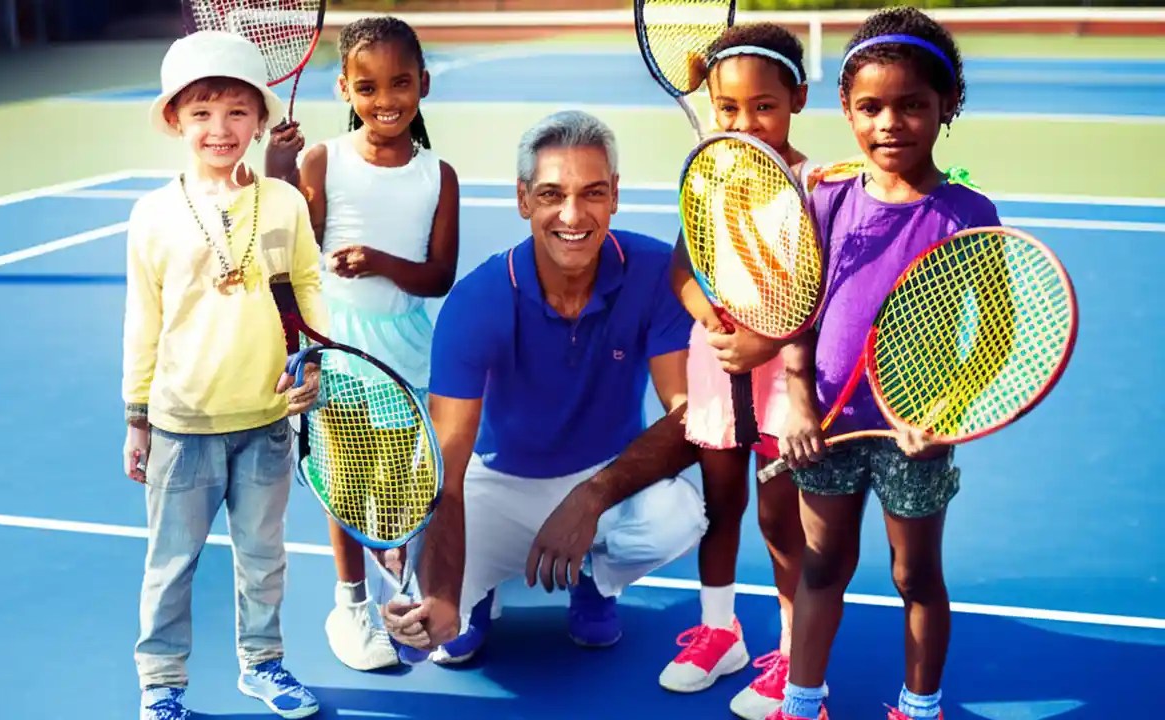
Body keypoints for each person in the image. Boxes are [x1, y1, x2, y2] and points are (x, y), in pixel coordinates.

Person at [382, 110, 763, 664]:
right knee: (430, 627)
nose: (572, 214)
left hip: (606, 476)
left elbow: (689, 414)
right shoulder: (477, 302)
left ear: (615, 196)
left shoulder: (655, 272)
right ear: (523, 200)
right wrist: (439, 598)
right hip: (497, 485)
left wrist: (591, 499)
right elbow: (449, 467)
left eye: (592, 193)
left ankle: (593, 577)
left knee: (679, 515)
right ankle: (473, 595)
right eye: (551, 194)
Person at [770, 8, 999, 720]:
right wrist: (798, 400)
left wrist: (944, 415)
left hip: (915, 433)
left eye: (912, 106)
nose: (889, 124)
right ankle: (802, 704)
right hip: (825, 424)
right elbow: (798, 315)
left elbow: (992, 340)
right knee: (821, 567)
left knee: (915, 575)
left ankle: (919, 707)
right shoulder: (826, 200)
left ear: (947, 105)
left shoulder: (968, 214)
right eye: (870, 108)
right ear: (846, 109)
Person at [122, 30, 327, 720]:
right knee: (171, 563)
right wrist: (137, 416)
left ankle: (263, 665)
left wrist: (313, 358)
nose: (220, 128)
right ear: (175, 119)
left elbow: (306, 285)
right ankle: (161, 685)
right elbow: (143, 319)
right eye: (202, 111)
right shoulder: (152, 215)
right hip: (182, 426)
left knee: (263, 559)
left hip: (267, 420)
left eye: (238, 111)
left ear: (261, 120)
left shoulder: (285, 202)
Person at [265, 15, 460, 673]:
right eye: (368, 87)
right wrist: (279, 170)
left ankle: (401, 589)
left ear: (423, 84)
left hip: (405, 354)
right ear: (344, 90)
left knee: (400, 490)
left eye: (400, 83)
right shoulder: (324, 160)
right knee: (344, 485)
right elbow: (291, 249)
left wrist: (379, 260)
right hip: (337, 350)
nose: (386, 100)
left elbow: (439, 275)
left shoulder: (439, 175)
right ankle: (350, 607)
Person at [658, 23, 818, 720]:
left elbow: (824, 297)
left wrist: (765, 341)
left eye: (764, 106)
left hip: (785, 375)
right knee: (720, 508)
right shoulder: (710, 174)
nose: (744, 123)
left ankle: (793, 654)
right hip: (719, 364)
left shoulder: (817, 186)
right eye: (728, 108)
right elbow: (681, 269)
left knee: (782, 522)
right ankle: (719, 632)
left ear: (798, 100)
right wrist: (712, 318)